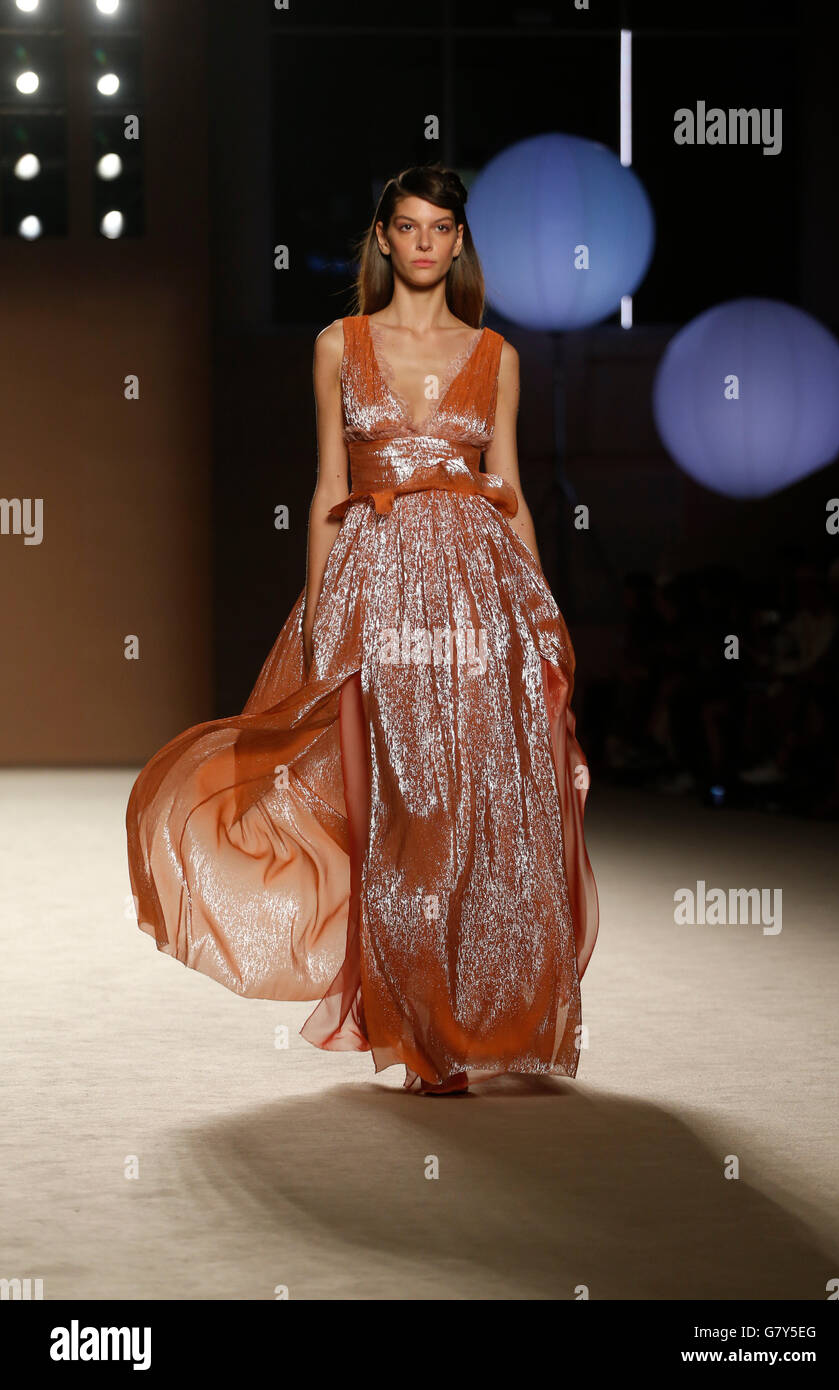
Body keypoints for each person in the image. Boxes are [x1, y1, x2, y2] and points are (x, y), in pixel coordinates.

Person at [126, 164, 599, 1096]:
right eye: (408, 227)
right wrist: (318, 621)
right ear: (383, 240)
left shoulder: (497, 355)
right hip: (377, 589)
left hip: (481, 594)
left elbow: (508, 490)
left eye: (441, 228)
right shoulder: (338, 346)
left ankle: (488, 1020)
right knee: (402, 811)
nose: (424, 243)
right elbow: (328, 491)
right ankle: (420, 1029)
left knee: (488, 804)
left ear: (458, 243)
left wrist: (542, 615)